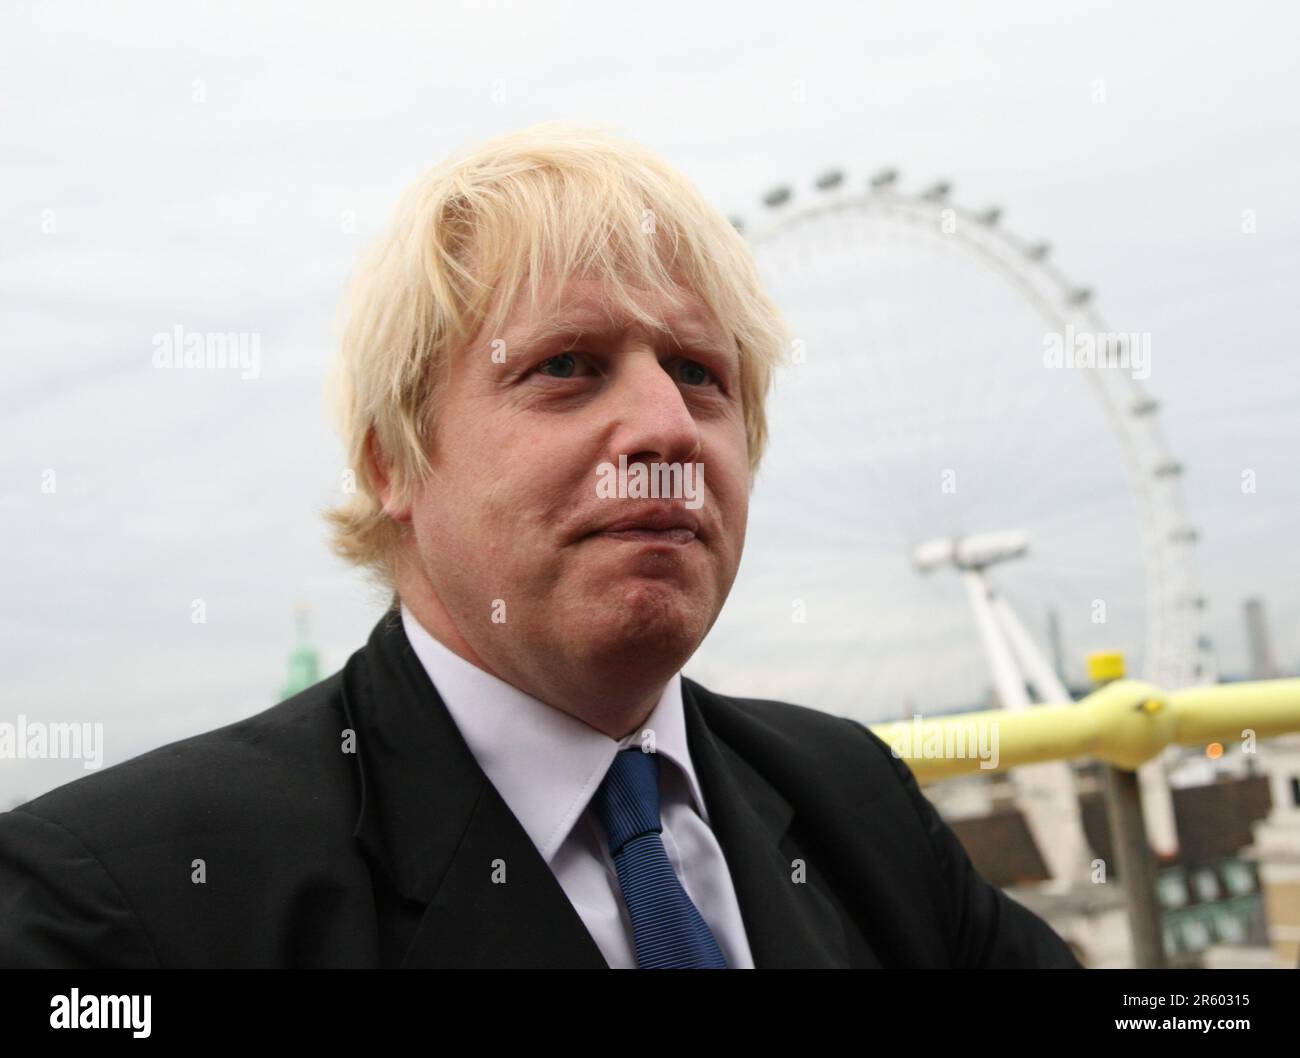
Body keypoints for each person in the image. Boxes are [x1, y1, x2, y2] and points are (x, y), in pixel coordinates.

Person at [0, 123, 1081, 968]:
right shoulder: (119, 906)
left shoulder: (854, 800)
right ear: (394, 463)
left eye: (703, 373)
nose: (665, 426)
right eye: (567, 365)